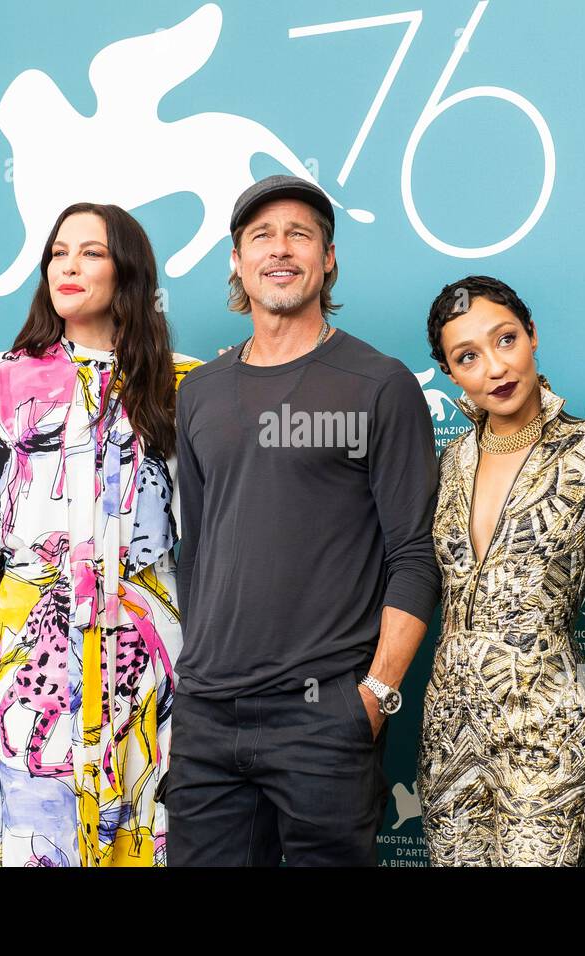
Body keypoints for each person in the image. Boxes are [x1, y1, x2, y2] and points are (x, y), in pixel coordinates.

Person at [164, 175, 440, 866]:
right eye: (261, 236)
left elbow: (413, 555)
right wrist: (195, 679)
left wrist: (373, 697)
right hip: (207, 720)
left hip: (325, 719)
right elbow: (194, 549)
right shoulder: (199, 392)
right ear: (236, 259)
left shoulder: (379, 384)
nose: (280, 249)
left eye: (299, 235)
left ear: (328, 258)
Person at [0, 202, 202, 866]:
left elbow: (209, 537)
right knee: (40, 847)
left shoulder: (185, 386)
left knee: (149, 846)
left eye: (90, 251)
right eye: (59, 251)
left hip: (150, 663)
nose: (69, 264)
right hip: (32, 659)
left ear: (129, 272)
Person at [417, 275, 585, 866]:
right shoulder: (448, 463)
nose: (494, 368)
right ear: (452, 375)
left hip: (545, 732)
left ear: (533, 337)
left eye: (505, 340)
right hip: (448, 736)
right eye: (467, 356)